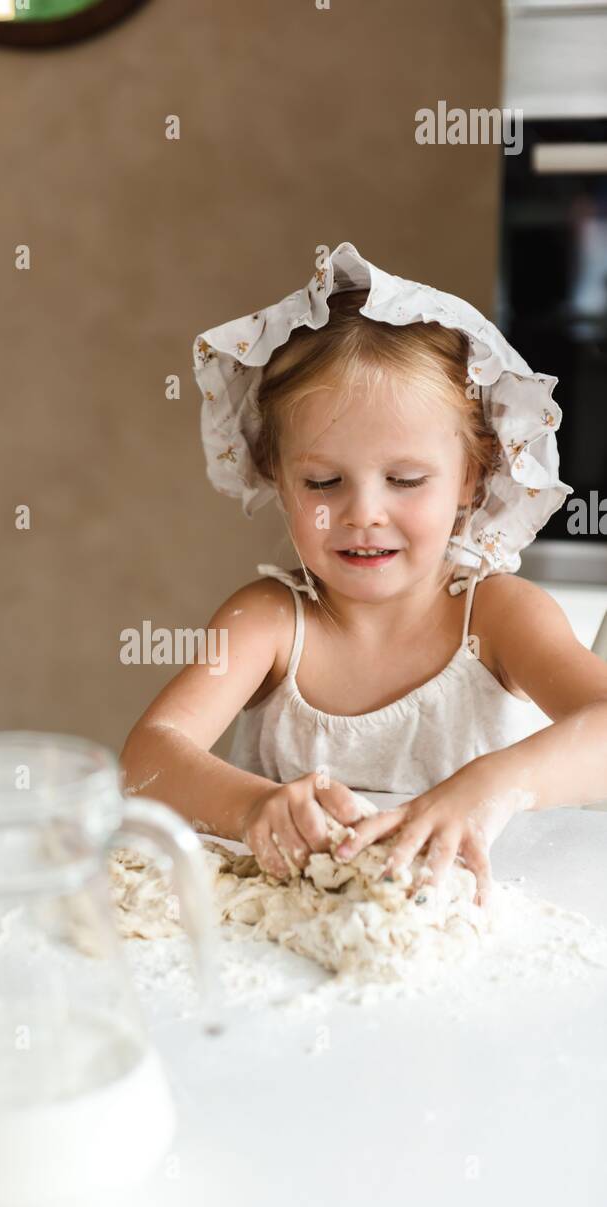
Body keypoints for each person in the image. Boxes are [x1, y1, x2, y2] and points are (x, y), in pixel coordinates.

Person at [120, 242, 607, 908]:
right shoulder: (268, 620)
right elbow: (147, 758)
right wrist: (256, 807)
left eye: (404, 480)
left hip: (472, 927)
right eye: (322, 481)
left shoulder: (496, 618)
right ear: (275, 476)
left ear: (471, 475)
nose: (363, 514)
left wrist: (486, 786)